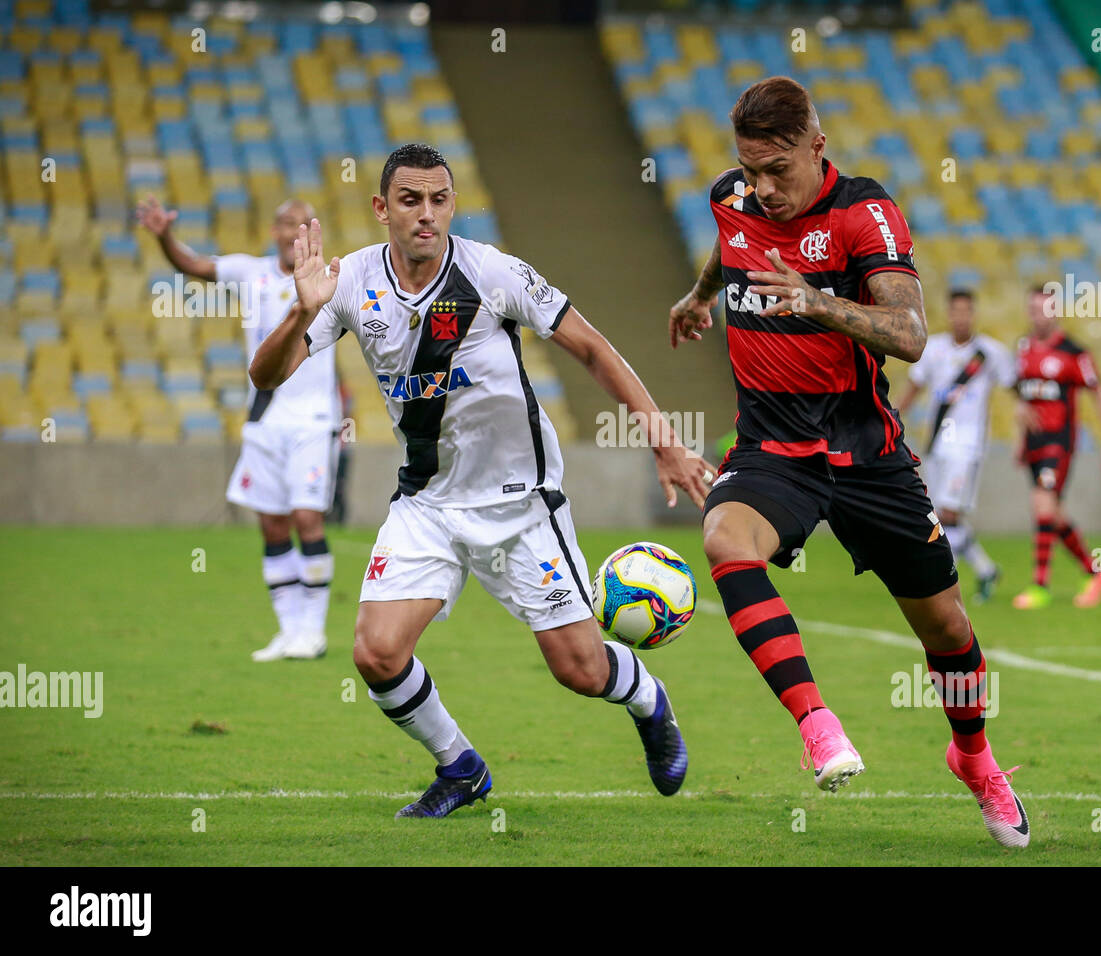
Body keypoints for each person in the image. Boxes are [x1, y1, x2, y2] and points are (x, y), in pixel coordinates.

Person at [250, 144, 712, 818]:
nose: (427, 214)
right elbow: (266, 379)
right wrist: (299, 311)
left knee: (580, 670)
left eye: (439, 199)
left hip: (520, 505)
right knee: (376, 654)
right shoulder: (346, 283)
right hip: (428, 503)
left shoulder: (492, 273)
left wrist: (663, 442)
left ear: (452, 205)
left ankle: (649, 702)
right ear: (382, 208)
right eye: (410, 200)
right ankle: (460, 767)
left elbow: (591, 346)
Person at [668, 77, 1029, 848]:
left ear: (816, 145)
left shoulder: (864, 214)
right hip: (772, 446)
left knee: (946, 626)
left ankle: (974, 757)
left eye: (779, 171)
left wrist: (817, 302)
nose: (763, 189)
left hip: (865, 449)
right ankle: (817, 723)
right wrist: (700, 298)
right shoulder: (731, 197)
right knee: (727, 540)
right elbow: (728, 249)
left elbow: (910, 332)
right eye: (751, 170)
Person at [136, 196, 339, 661]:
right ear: (274, 231)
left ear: (313, 235)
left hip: (313, 421)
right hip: (264, 419)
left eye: (302, 225)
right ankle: (289, 630)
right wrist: (165, 235)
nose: (293, 232)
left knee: (306, 518)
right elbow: (192, 265)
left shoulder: (331, 280)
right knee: (271, 524)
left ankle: (315, 628)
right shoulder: (253, 274)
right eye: (286, 223)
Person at [895, 288, 1015, 603]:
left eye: (966, 311)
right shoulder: (933, 349)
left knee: (948, 513)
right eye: (956, 311)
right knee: (941, 514)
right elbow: (914, 387)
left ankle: (945, 582)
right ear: (949, 314)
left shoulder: (990, 353)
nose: (961, 317)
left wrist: (1025, 416)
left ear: (973, 314)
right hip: (936, 445)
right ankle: (986, 570)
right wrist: (892, 419)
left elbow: (1014, 386)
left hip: (967, 446)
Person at [1011, 285, 1101, 609]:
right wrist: (1019, 439)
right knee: (1054, 515)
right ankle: (1096, 572)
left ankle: (1040, 586)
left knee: (1042, 504)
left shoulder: (1074, 352)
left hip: (1060, 444)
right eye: (1033, 309)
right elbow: (1023, 399)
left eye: (1044, 308)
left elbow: (1100, 394)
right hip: (1033, 444)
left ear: (1056, 311)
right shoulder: (1023, 347)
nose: (1038, 314)